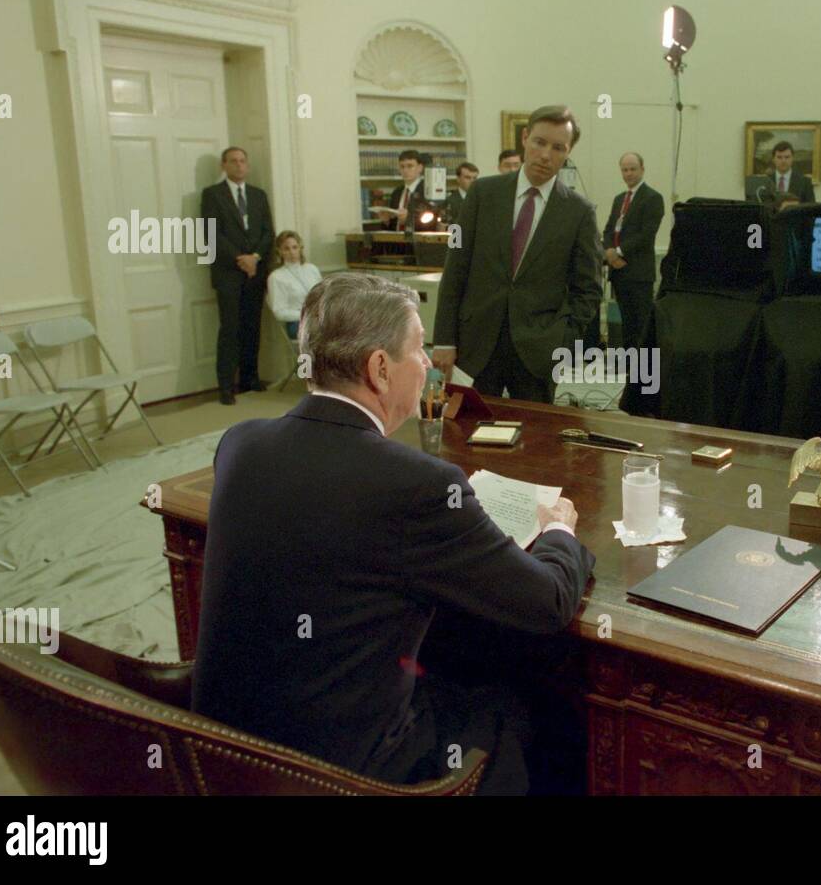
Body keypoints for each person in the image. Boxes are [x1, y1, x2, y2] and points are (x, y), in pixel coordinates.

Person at [192, 274, 595, 794]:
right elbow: (548, 603)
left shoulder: (240, 443)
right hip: (347, 773)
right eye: (419, 349)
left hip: (224, 756)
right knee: (530, 709)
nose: (428, 364)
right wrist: (560, 526)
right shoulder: (418, 485)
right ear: (379, 368)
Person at [432, 105, 603, 403]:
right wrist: (444, 339)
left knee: (536, 442)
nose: (546, 155)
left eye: (558, 147)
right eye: (539, 142)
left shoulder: (579, 212)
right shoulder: (482, 194)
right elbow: (456, 267)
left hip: (538, 351)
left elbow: (588, 289)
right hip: (475, 344)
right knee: (464, 436)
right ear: (525, 138)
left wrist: (562, 340)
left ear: (568, 152)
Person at [201, 146, 274, 405]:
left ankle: (249, 378)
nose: (239, 166)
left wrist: (254, 257)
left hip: (256, 271)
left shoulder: (258, 195)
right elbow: (212, 234)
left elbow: (268, 232)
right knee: (230, 329)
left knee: (252, 327)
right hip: (228, 273)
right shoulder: (212, 195)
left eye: (243, 161)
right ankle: (225, 386)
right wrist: (240, 259)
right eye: (233, 161)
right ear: (224, 165)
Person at [603, 152, 664, 351]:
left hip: (638, 273)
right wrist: (609, 253)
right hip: (619, 271)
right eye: (625, 170)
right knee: (626, 324)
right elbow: (609, 230)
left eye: (632, 169)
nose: (628, 174)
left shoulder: (653, 198)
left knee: (642, 325)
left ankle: (645, 372)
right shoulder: (619, 199)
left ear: (642, 169)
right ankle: (630, 367)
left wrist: (618, 252)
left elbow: (646, 235)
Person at [265, 231, 321, 339]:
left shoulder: (312, 269)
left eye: (295, 247)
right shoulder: (276, 277)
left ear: (300, 248)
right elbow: (278, 311)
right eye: (286, 249)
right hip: (297, 322)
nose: (292, 252)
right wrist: (306, 315)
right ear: (280, 251)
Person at [386, 149, 427, 230]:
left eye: (410, 166)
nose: (405, 170)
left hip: (418, 240)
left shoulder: (427, 192)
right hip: (397, 240)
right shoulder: (396, 192)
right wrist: (386, 221)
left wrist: (408, 220)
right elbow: (393, 225)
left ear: (420, 168)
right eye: (402, 167)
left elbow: (431, 223)